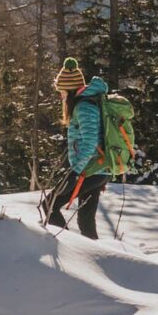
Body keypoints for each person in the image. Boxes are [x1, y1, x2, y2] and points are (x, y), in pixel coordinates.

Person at [47, 63, 111, 240]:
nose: (61, 95)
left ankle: (69, 252)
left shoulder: (84, 107)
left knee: (49, 205)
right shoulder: (86, 104)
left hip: (89, 170)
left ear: (71, 90)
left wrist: (75, 171)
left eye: (63, 91)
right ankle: (94, 259)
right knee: (86, 220)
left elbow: (90, 143)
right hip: (97, 170)